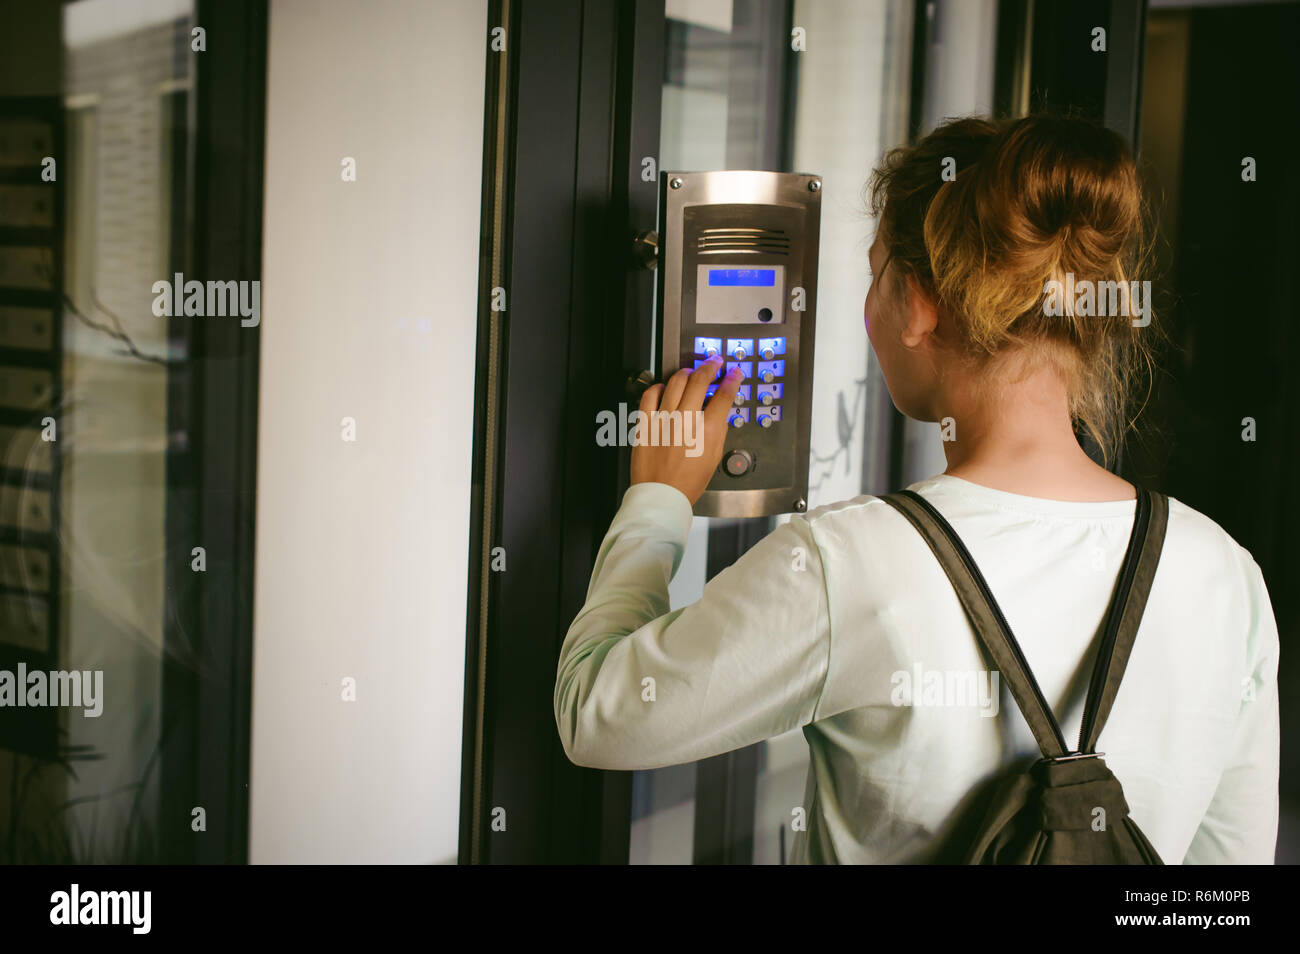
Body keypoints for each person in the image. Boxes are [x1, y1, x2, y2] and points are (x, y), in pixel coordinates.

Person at [552, 115, 1280, 864]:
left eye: (877, 273)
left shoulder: (849, 563)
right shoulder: (1225, 574)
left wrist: (657, 502)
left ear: (922, 304)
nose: (870, 306)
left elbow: (596, 713)